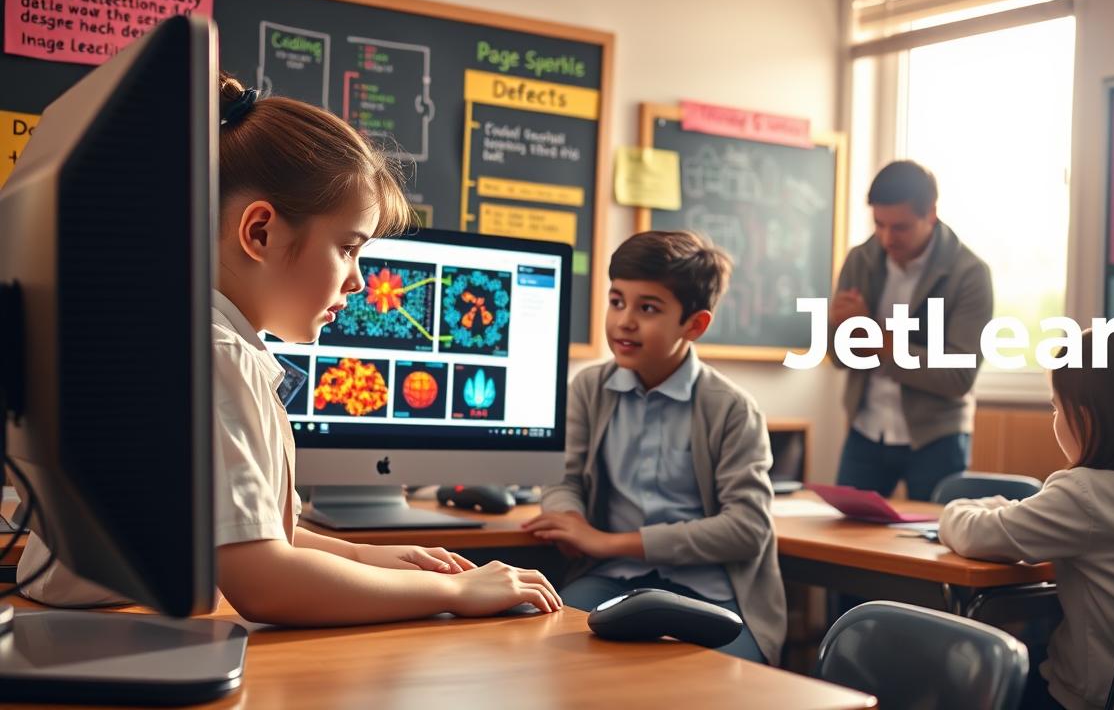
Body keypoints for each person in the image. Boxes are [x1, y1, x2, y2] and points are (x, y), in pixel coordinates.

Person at [18, 74, 561, 624]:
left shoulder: (182, 336)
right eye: (348, 248)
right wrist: (454, 594)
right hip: (110, 628)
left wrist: (356, 554)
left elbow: (240, 528)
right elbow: (265, 582)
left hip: (97, 615)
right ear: (260, 233)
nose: (358, 282)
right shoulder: (217, 355)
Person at [524, 231, 785, 664]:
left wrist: (607, 542)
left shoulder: (732, 409)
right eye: (616, 301)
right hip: (611, 581)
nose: (624, 321)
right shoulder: (589, 388)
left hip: (712, 594)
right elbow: (561, 477)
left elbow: (747, 528)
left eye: (647, 308)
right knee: (554, 657)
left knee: (718, 689)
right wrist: (568, 518)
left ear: (694, 325)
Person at [939, 329, 1114, 710]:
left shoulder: (1084, 494)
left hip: (1083, 701)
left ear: (1084, 419)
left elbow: (976, 535)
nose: (1054, 418)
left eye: (1057, 407)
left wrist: (953, 509)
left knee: (968, 673)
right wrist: (1008, 505)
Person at [830, 160, 992, 500]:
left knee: (935, 544)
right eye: (879, 224)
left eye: (900, 227)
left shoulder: (970, 274)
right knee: (842, 540)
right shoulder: (859, 260)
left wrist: (873, 336)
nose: (887, 238)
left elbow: (959, 376)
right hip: (865, 429)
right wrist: (835, 329)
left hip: (937, 437)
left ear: (930, 213)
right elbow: (837, 357)